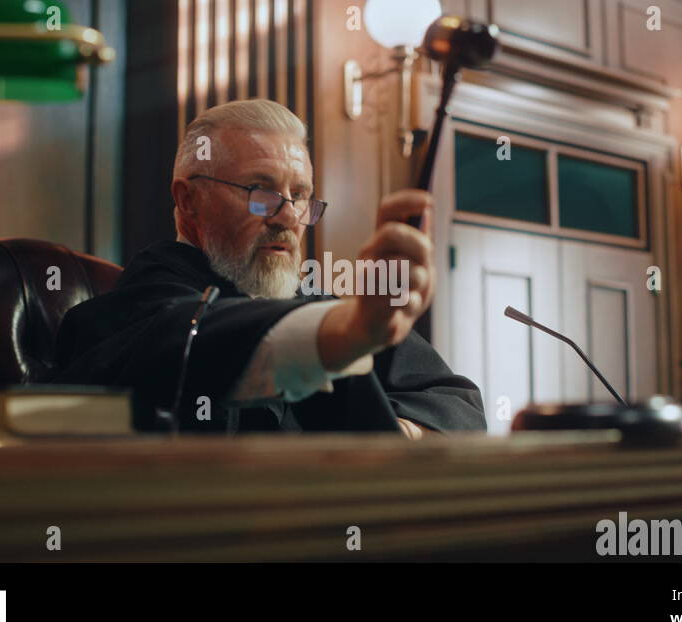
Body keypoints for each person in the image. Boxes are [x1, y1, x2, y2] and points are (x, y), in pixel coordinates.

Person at [53, 99, 485, 437]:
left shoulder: (323, 303)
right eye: (260, 190)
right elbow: (192, 347)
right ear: (189, 202)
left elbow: (460, 405)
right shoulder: (134, 310)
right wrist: (347, 334)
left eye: (300, 195)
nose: (288, 216)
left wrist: (404, 433)